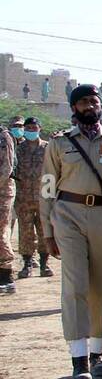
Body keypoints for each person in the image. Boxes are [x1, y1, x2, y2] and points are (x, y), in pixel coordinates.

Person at [38, 84, 102, 379]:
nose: (90, 105)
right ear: (73, 108)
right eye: (83, 102)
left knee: (101, 286)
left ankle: (98, 353)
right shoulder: (59, 144)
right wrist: (47, 231)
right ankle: (78, 359)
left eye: (94, 101)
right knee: (75, 286)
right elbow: (46, 189)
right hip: (68, 216)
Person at [14, 117, 52, 280]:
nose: (30, 130)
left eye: (33, 127)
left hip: (43, 198)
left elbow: (52, 173)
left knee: (45, 232)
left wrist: (51, 198)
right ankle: (27, 264)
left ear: (39, 128)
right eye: (27, 128)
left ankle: (44, 264)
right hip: (24, 198)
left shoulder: (48, 148)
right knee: (26, 233)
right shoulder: (18, 149)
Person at [0, 120, 15, 295]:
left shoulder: (3, 136)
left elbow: (7, 167)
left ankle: (6, 275)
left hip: (3, 192)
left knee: (1, 231)